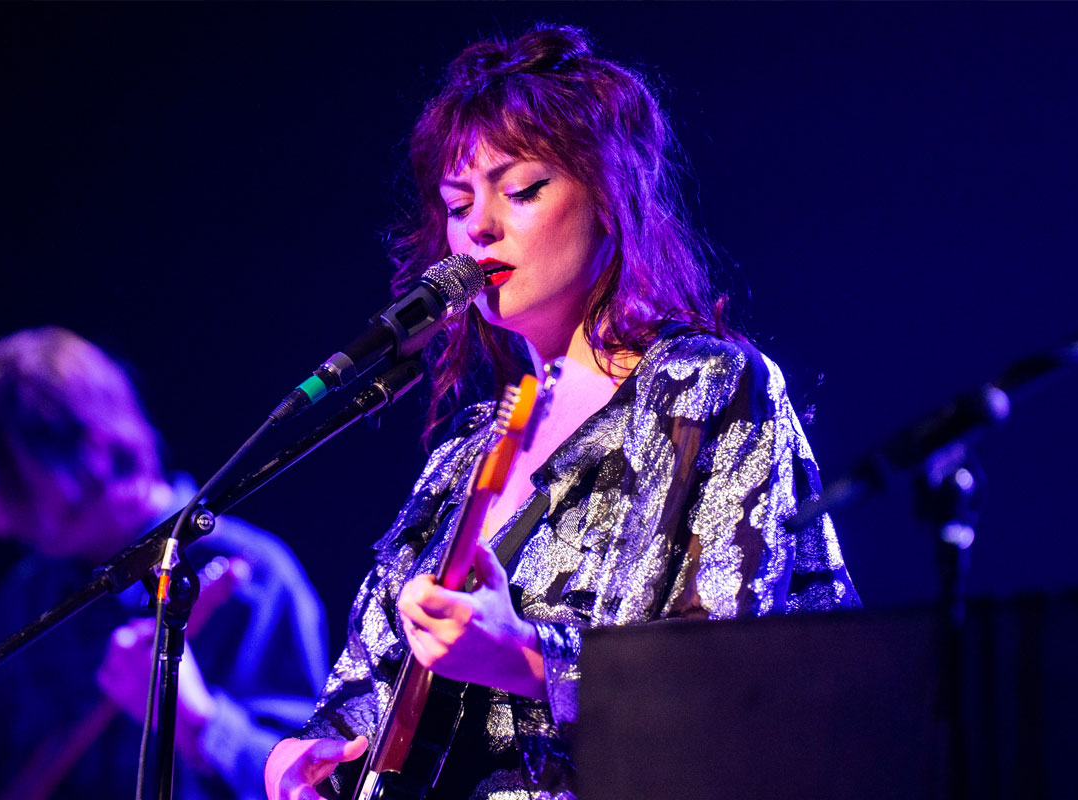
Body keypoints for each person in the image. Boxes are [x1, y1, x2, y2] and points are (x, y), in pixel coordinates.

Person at [265, 25, 860, 800]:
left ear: (613, 193)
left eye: (520, 190)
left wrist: (523, 658)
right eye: (456, 203)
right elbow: (364, 689)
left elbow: (726, 677)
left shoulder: (700, 387)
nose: (477, 228)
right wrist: (305, 756)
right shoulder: (467, 450)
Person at [0, 326, 327, 800]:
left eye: (12, 489)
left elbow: (317, 782)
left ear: (92, 449)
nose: (0, 523)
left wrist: (202, 724)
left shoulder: (256, 576)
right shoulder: (26, 596)